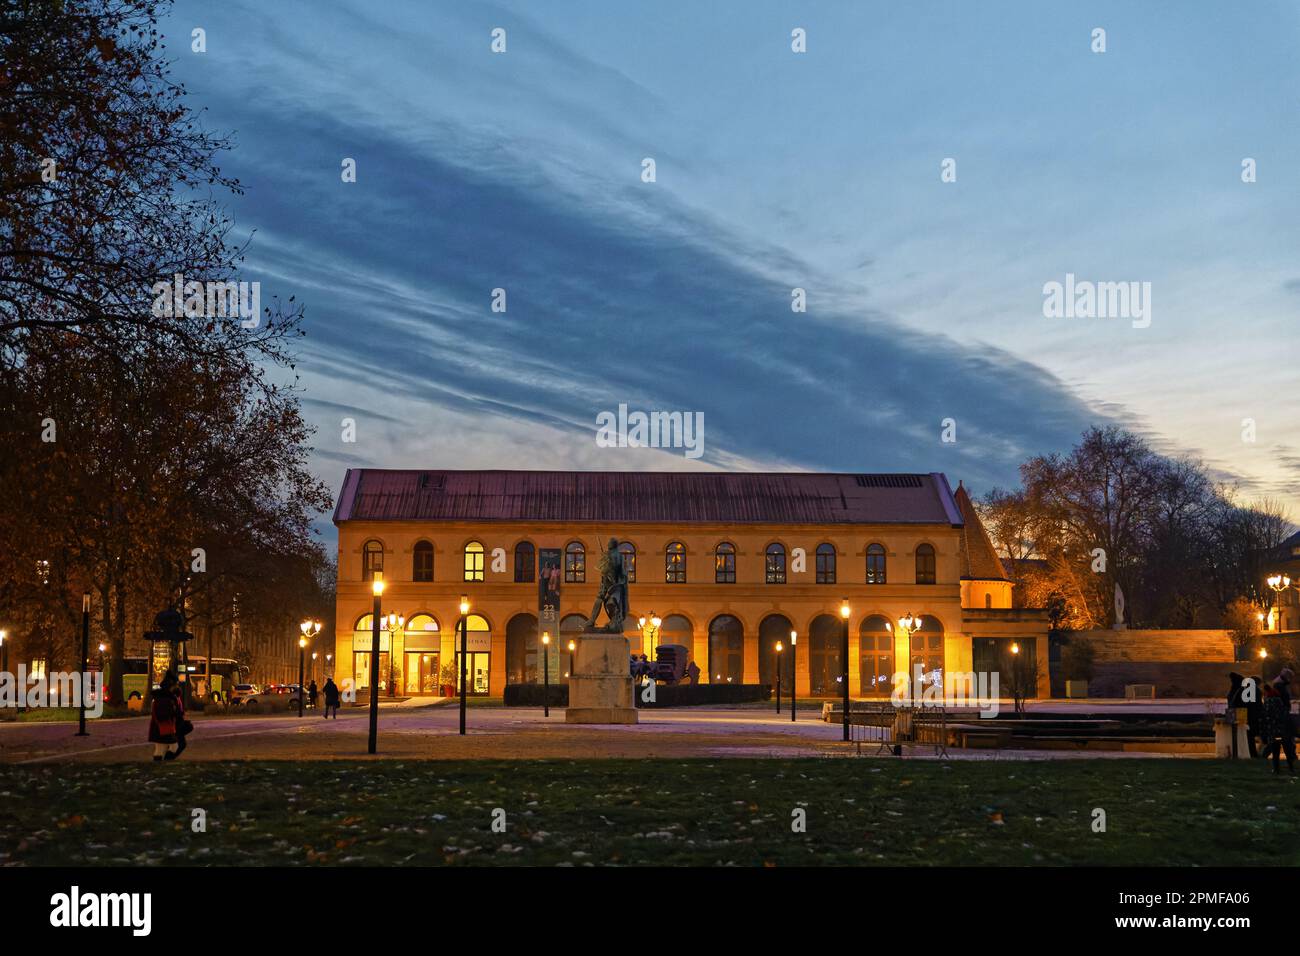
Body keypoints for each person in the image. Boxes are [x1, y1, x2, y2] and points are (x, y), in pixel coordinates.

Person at [1260, 667, 1296, 775]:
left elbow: (1265, 716)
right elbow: (1284, 712)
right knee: (1287, 748)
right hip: (1282, 728)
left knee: (1275, 749)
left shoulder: (1268, 702)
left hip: (1273, 728)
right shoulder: (1280, 700)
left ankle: (1276, 768)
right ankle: (1291, 767)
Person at [1227, 672, 1260, 758]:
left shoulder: (1235, 689)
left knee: (1238, 735)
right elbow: (1250, 705)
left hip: (1233, 713)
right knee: (1245, 735)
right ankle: (1247, 753)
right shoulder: (1242, 690)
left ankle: (1236, 753)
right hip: (1241, 714)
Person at [148, 673, 179, 762]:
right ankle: (165, 762)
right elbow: (166, 713)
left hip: (158, 727)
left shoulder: (160, 697)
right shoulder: (166, 698)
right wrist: (174, 713)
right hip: (164, 726)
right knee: (173, 746)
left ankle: (159, 764)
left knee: (159, 748)